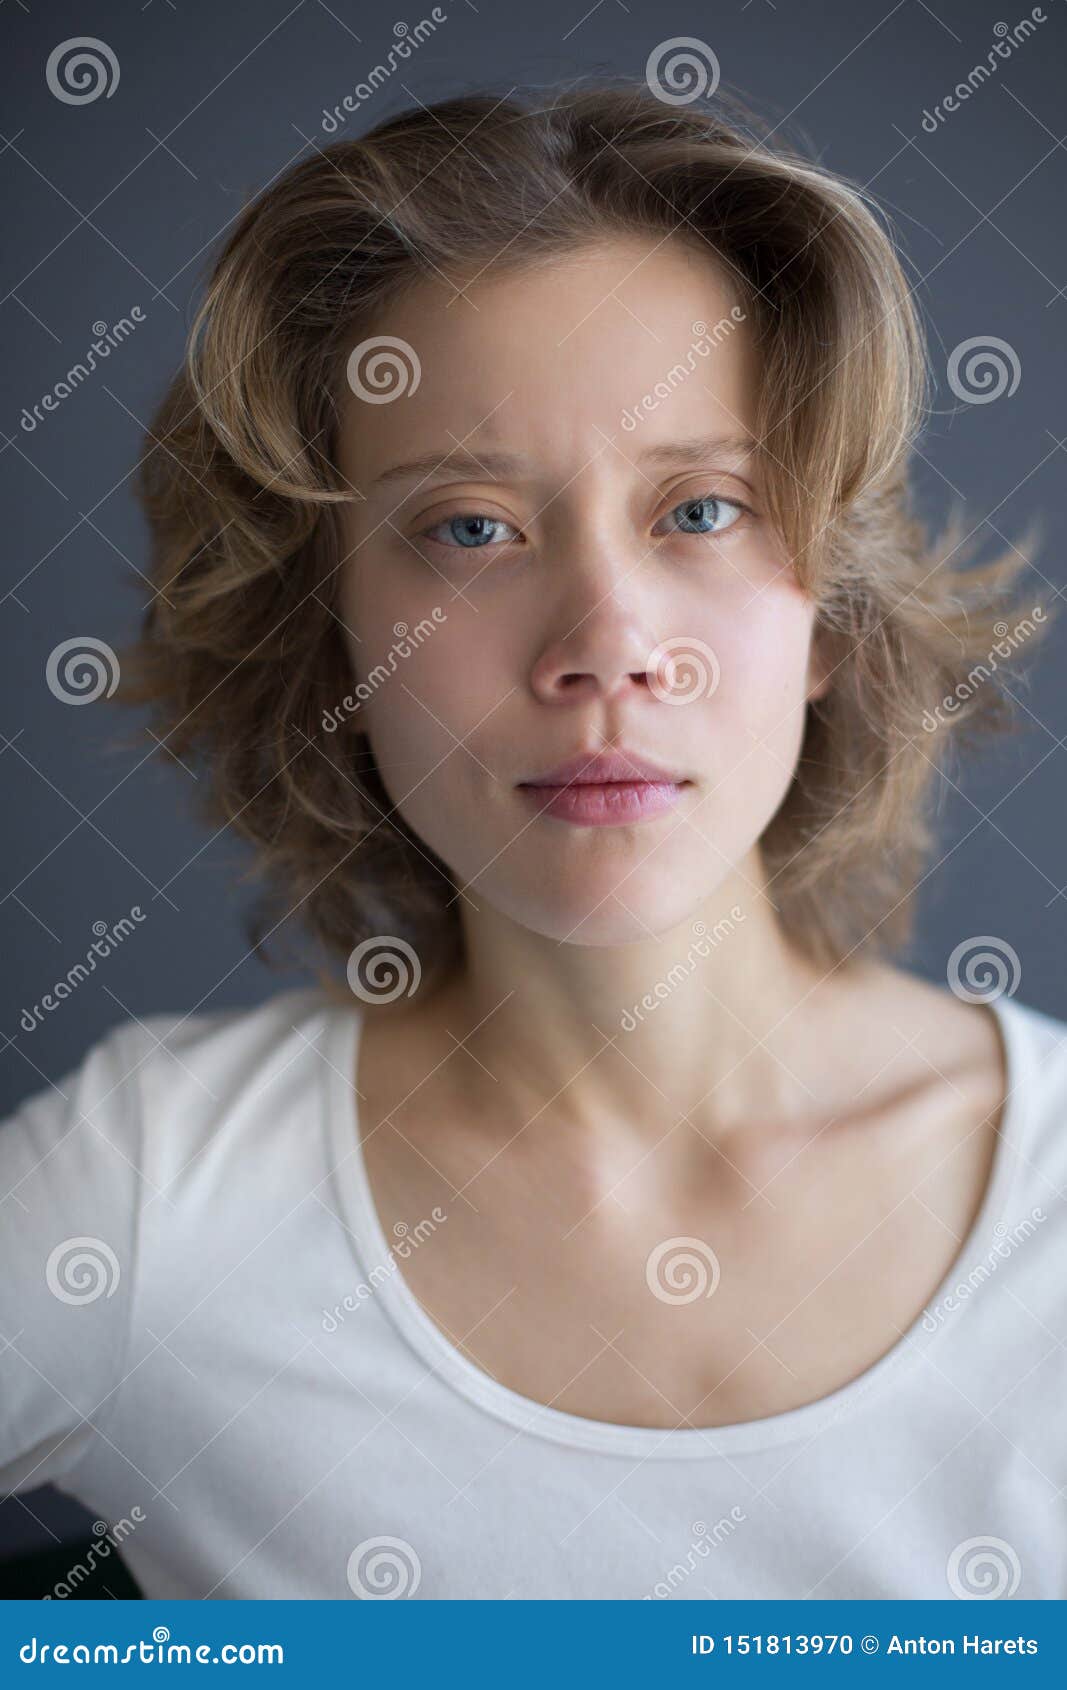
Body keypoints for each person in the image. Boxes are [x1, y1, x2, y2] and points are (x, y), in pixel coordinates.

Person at [2, 80, 1064, 1603]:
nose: (606, 647)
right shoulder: (152, 1196)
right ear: (330, 628)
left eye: (701, 510)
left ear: (831, 606)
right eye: (472, 528)